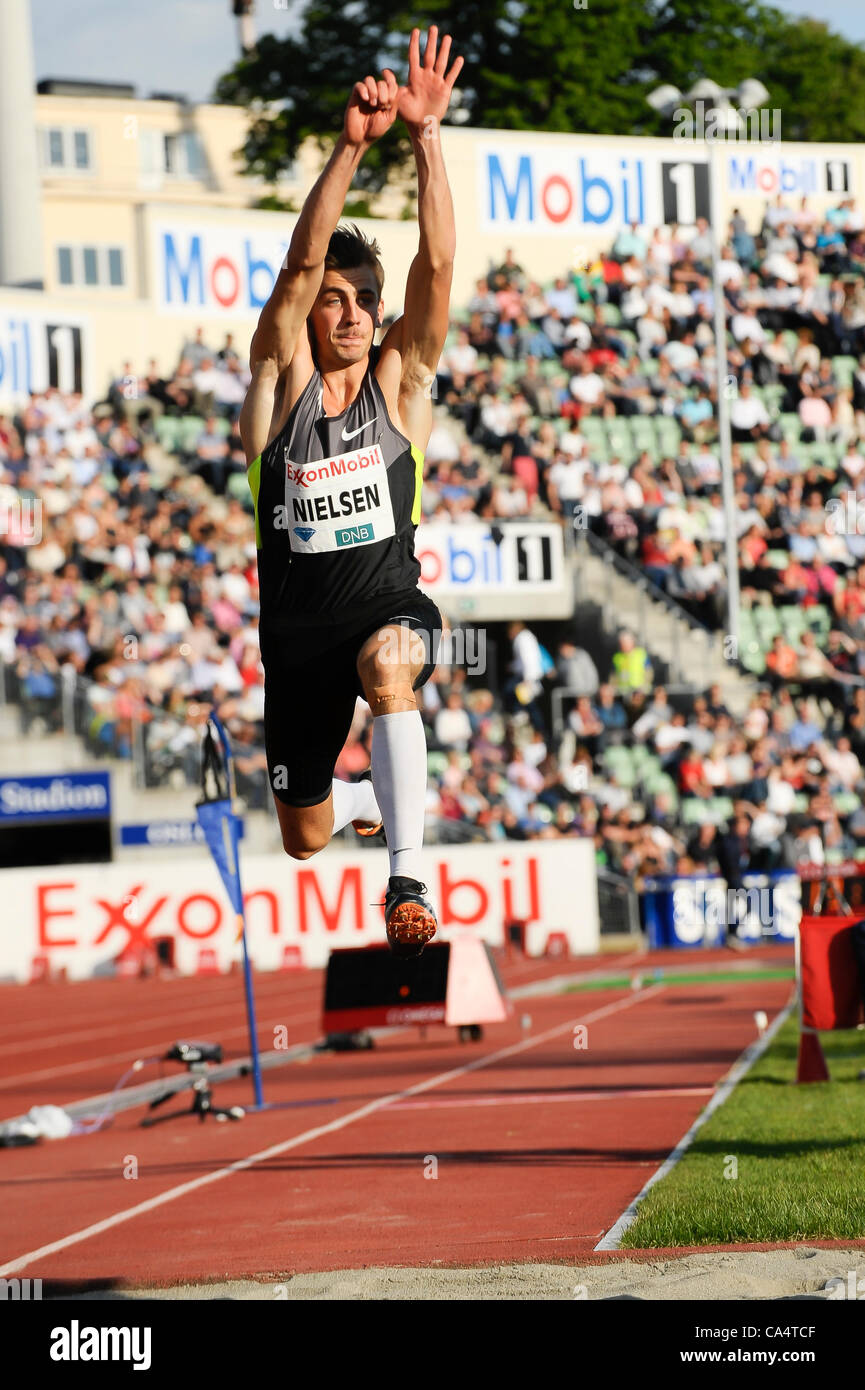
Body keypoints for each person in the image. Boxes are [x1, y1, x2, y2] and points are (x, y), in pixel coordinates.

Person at [239, 26, 463, 958]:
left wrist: (424, 139)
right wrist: (350, 147)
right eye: (335, 297)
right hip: (295, 642)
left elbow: (439, 268)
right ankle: (373, 795)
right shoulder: (276, 391)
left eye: (365, 298)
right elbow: (295, 270)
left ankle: (407, 878)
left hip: (386, 608)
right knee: (304, 836)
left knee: (391, 671)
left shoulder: (400, 385)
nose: (351, 311)